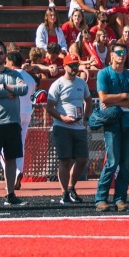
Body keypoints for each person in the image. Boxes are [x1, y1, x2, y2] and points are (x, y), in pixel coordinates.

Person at [0, 42, 30, 207]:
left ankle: (10, 194)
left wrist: (5, 87)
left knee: (11, 159)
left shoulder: (13, 73)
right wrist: (10, 90)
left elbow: (24, 89)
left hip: (12, 122)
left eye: (1, 53)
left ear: (5, 55)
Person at [92, 42, 129, 212]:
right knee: (112, 162)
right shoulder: (104, 73)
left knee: (125, 163)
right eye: (118, 53)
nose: (121, 55)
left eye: (124, 53)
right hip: (112, 123)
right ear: (111, 55)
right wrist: (123, 96)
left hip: (128, 123)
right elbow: (103, 98)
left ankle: (120, 198)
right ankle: (101, 198)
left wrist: (115, 102)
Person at [46, 55, 91, 205]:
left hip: (79, 127)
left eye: (76, 65)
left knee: (82, 159)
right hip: (62, 127)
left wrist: (86, 118)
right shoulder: (58, 84)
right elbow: (50, 107)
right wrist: (63, 118)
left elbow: (88, 100)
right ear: (65, 67)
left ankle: (71, 187)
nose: (74, 68)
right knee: (64, 160)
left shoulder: (81, 83)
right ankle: (64, 192)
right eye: (71, 65)